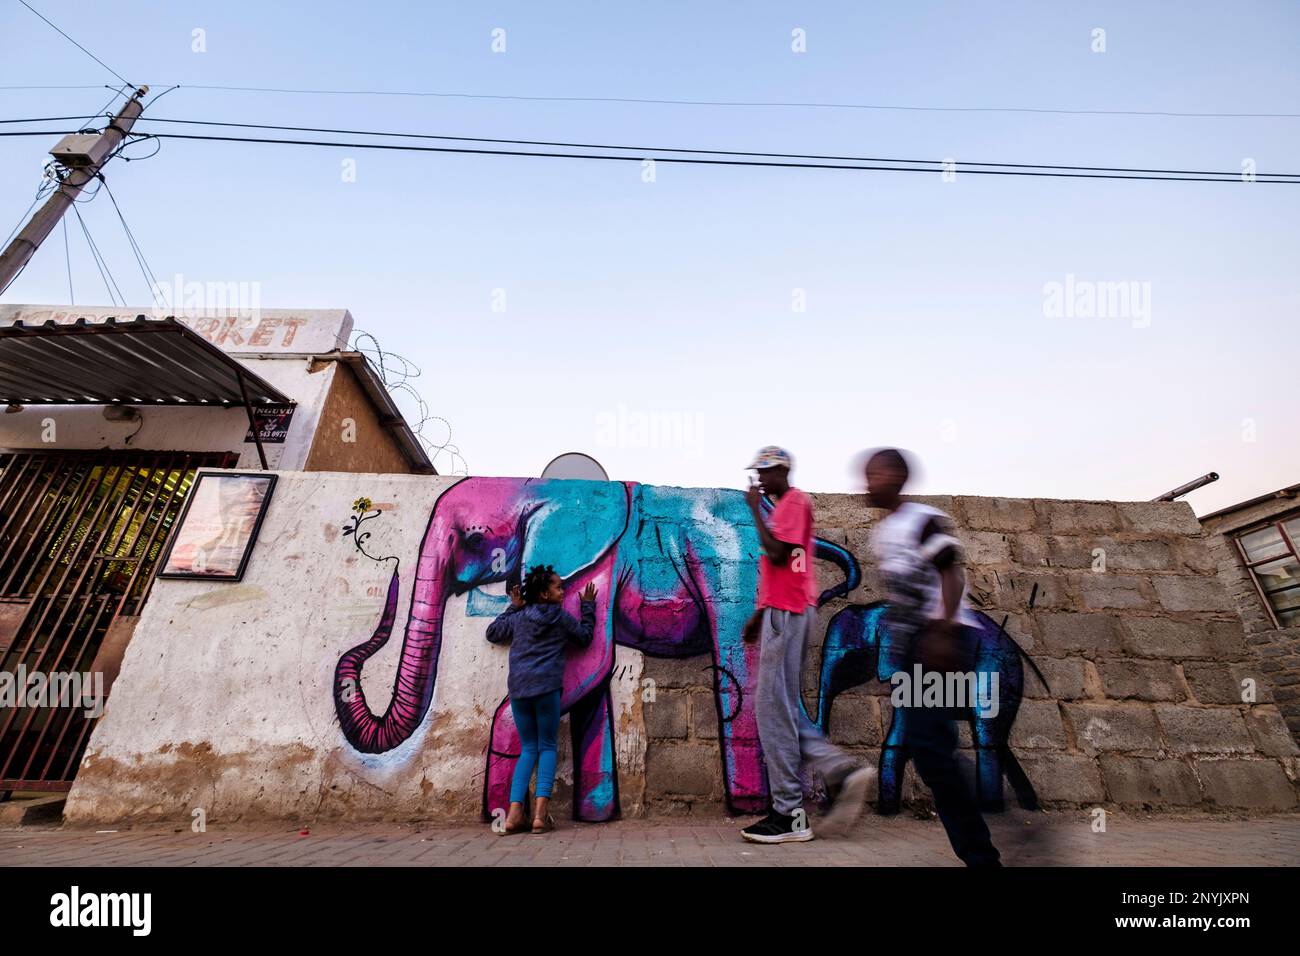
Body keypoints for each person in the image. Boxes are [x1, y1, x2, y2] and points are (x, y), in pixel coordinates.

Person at [864, 447, 1001, 866]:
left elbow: (951, 572)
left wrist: (943, 629)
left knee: (930, 747)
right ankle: (981, 836)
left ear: (899, 478)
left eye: (877, 474)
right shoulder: (883, 533)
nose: (869, 482)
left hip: (942, 643)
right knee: (930, 748)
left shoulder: (920, 520)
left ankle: (983, 853)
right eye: (867, 474)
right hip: (916, 649)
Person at [739, 446, 875, 844]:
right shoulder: (785, 507)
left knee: (770, 709)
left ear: (782, 470)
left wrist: (753, 509)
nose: (759, 480)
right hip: (780, 612)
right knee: (779, 709)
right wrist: (758, 614)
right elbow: (783, 568)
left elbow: (779, 554)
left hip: (790, 612)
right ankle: (840, 773)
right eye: (757, 474)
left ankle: (789, 813)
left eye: (764, 472)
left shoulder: (794, 503)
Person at [486, 564, 596, 834]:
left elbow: (493, 633)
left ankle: (513, 815)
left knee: (528, 749)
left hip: (520, 691)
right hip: (547, 690)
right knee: (547, 747)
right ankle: (539, 815)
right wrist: (588, 608)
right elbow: (584, 638)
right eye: (558, 587)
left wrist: (514, 606)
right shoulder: (560, 618)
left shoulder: (520, 617)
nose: (563, 590)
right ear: (545, 595)